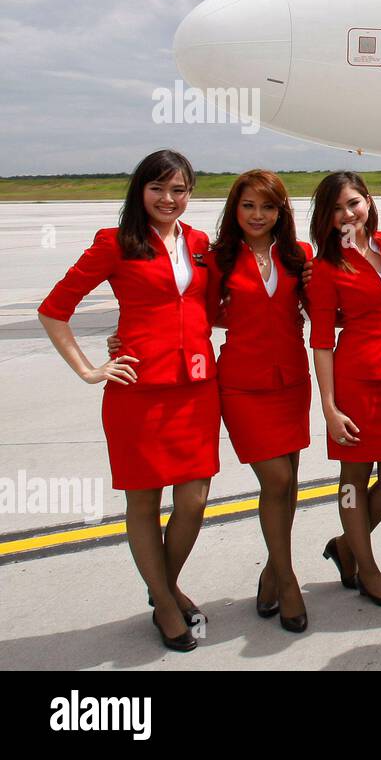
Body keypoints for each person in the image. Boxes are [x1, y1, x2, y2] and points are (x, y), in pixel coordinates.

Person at [38, 149, 219, 652]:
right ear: (140, 191)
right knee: (144, 502)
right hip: (137, 393)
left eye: (179, 189)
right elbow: (54, 310)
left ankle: (164, 585)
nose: (168, 198)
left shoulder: (200, 243)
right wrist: (89, 368)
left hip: (197, 388)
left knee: (194, 500)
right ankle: (166, 604)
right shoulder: (116, 243)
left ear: (190, 194)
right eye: (158, 188)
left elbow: (209, 307)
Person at [207, 170, 313, 632]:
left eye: (267, 207)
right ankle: (286, 580)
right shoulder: (217, 260)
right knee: (275, 480)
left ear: (280, 212)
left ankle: (272, 571)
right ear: (235, 209)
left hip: (291, 379)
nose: (257, 215)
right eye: (248, 205)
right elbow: (200, 313)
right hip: (243, 384)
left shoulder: (298, 256)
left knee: (289, 484)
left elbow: (324, 307)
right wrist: (121, 338)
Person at [308, 172, 381, 608]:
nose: (347, 214)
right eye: (335, 208)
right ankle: (368, 571)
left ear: (368, 201)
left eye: (352, 202)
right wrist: (329, 407)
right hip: (355, 382)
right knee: (353, 477)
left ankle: (345, 544)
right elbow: (320, 339)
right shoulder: (327, 267)